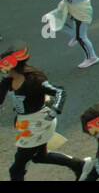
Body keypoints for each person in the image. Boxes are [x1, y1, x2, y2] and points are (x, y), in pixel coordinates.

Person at [0, 46, 85, 181]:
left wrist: (54, 111)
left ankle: (79, 165)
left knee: (16, 168)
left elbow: (59, 92)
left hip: (38, 123)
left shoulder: (34, 79)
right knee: (40, 157)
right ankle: (78, 164)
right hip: (25, 123)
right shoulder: (8, 80)